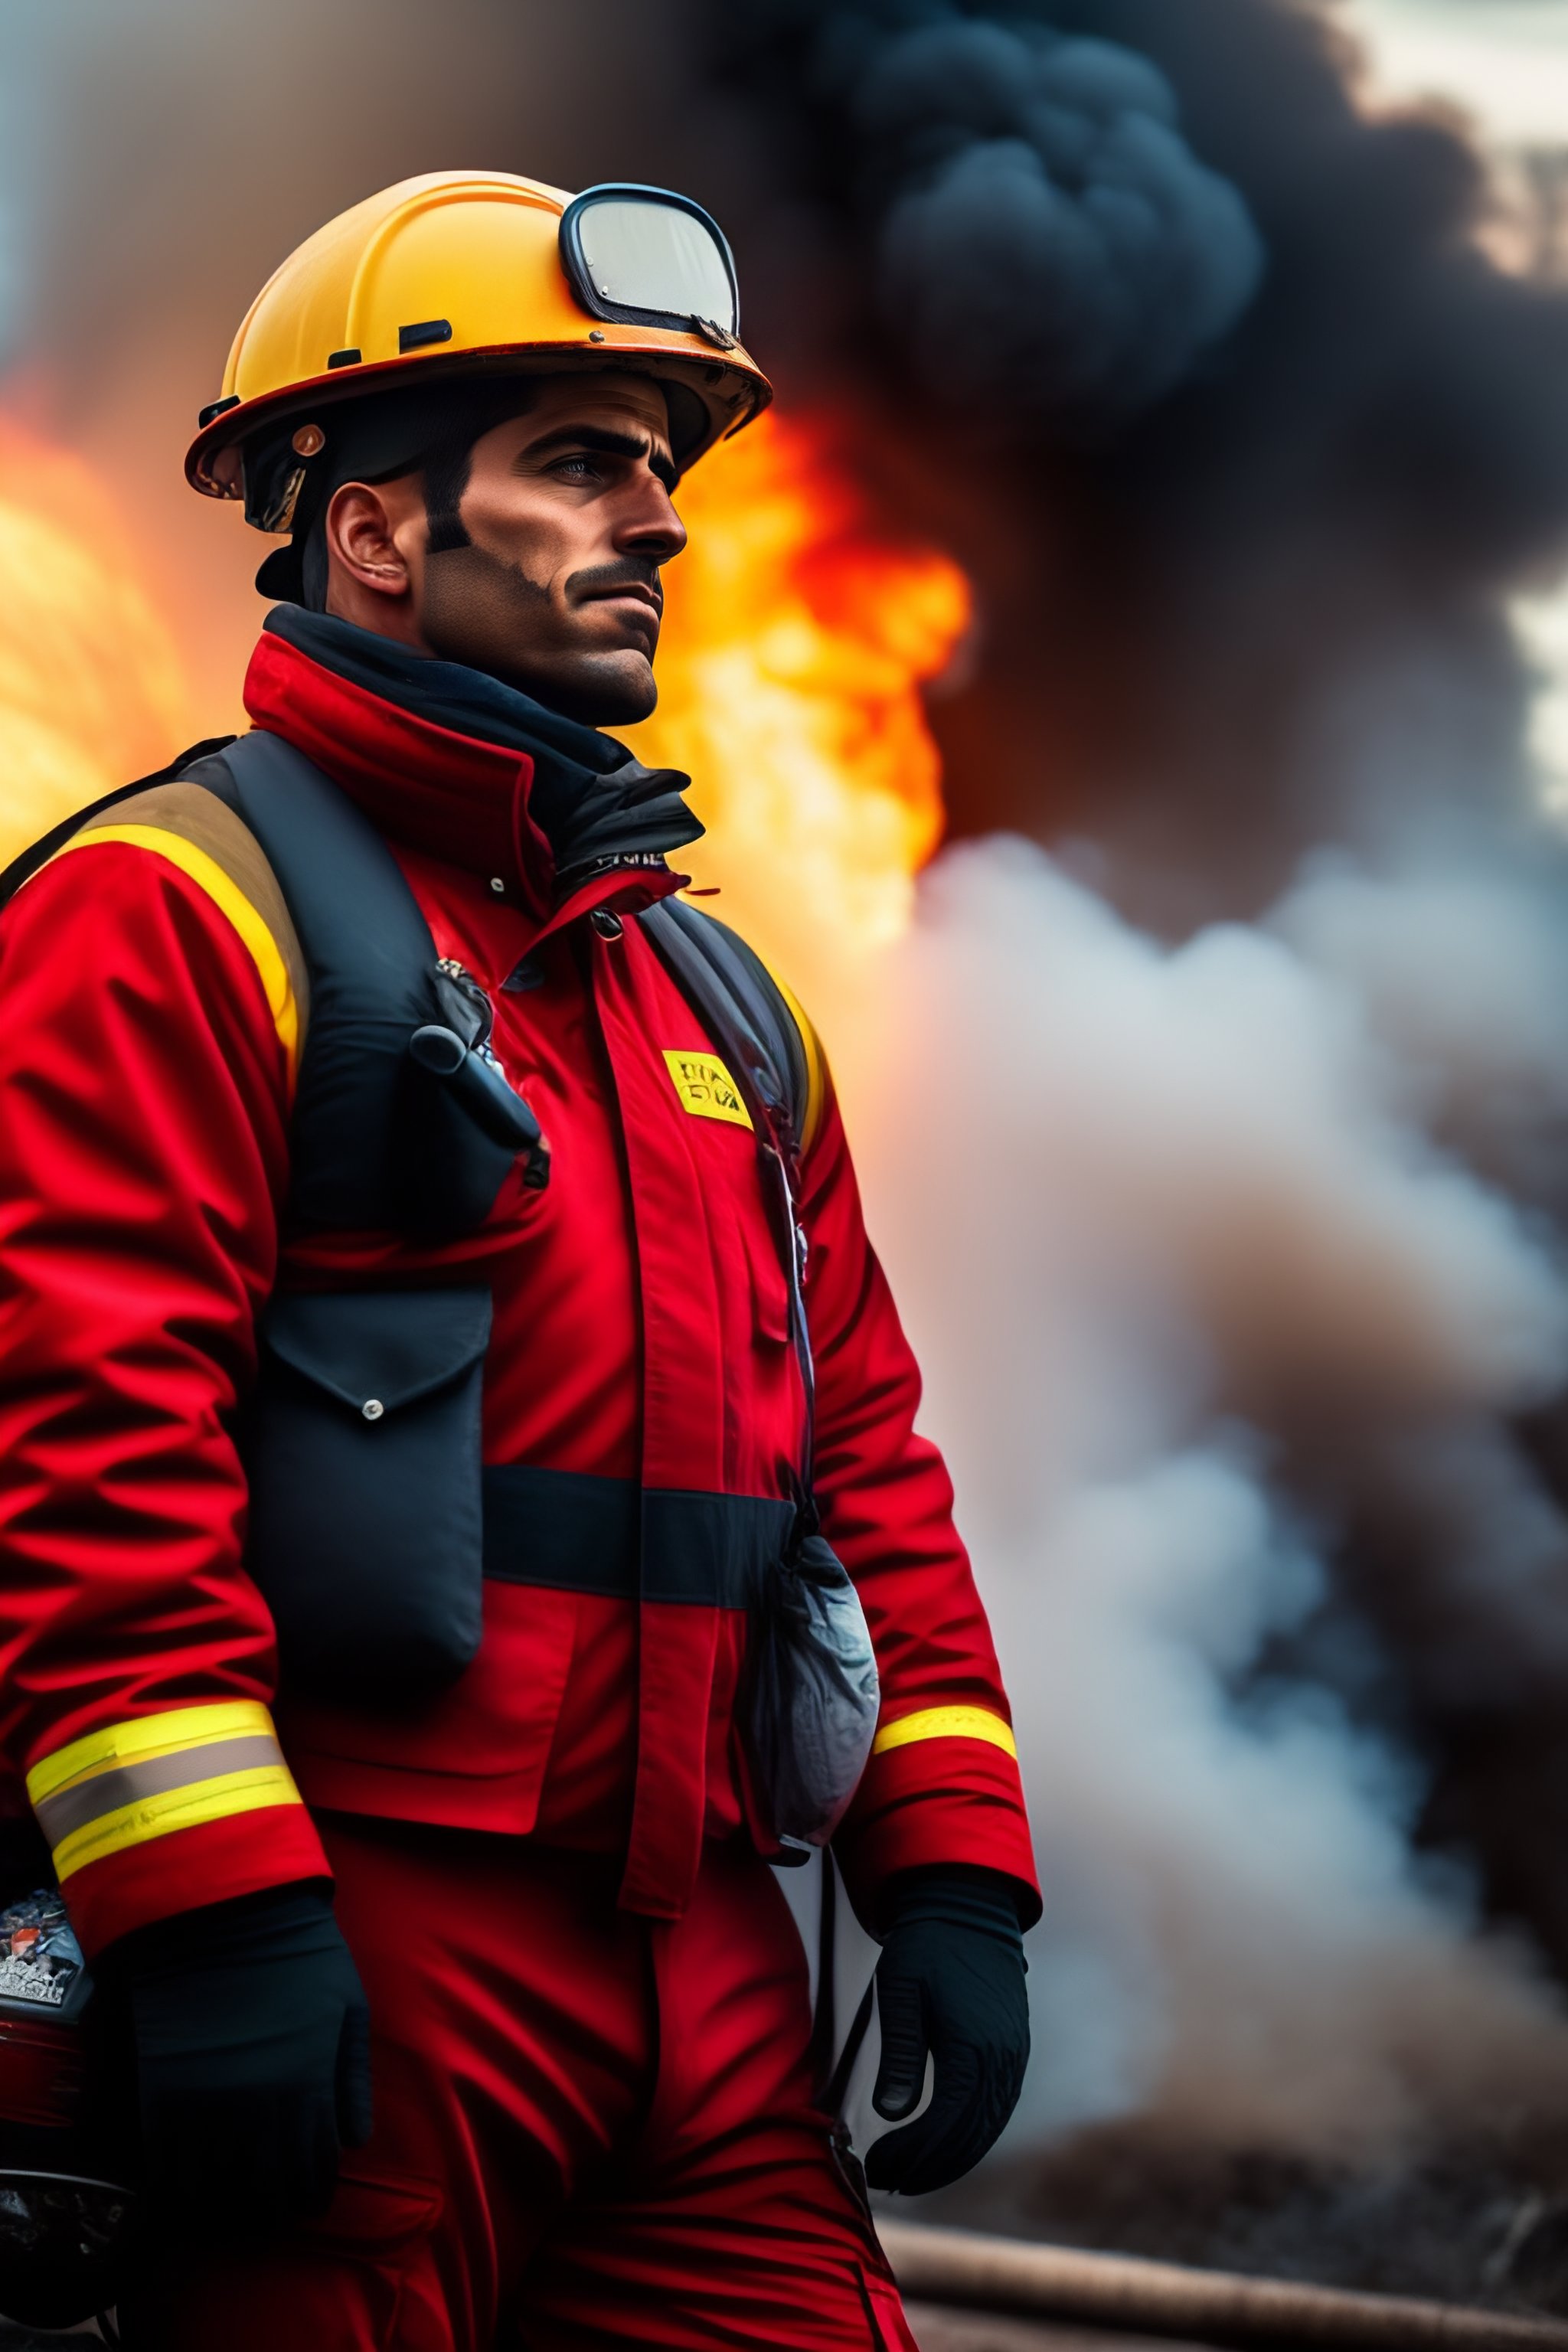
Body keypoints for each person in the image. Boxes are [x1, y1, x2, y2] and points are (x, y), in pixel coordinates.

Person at [0, 171, 1038, 2350]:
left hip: (712, 1975)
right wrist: (213, 1918)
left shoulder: (720, 1010)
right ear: (373, 530)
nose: (655, 520)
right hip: (357, 1940)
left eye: (659, 470)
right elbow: (86, 1448)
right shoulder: (171, 910)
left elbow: (865, 1466)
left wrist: (947, 1862)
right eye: (581, 461)